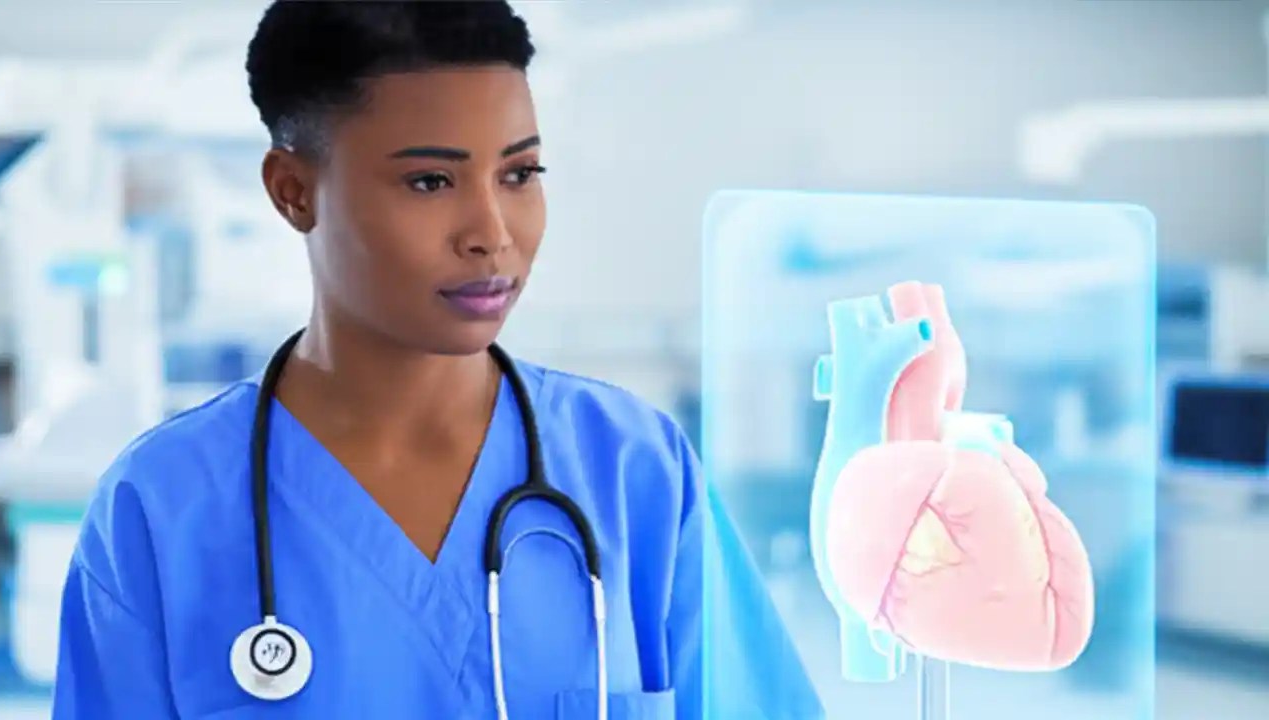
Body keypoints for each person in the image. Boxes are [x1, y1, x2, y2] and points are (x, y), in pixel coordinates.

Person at [51, 2, 823, 718]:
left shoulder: (632, 471)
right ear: (292, 192)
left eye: (519, 175)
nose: (492, 232)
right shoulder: (161, 508)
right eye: (430, 181)